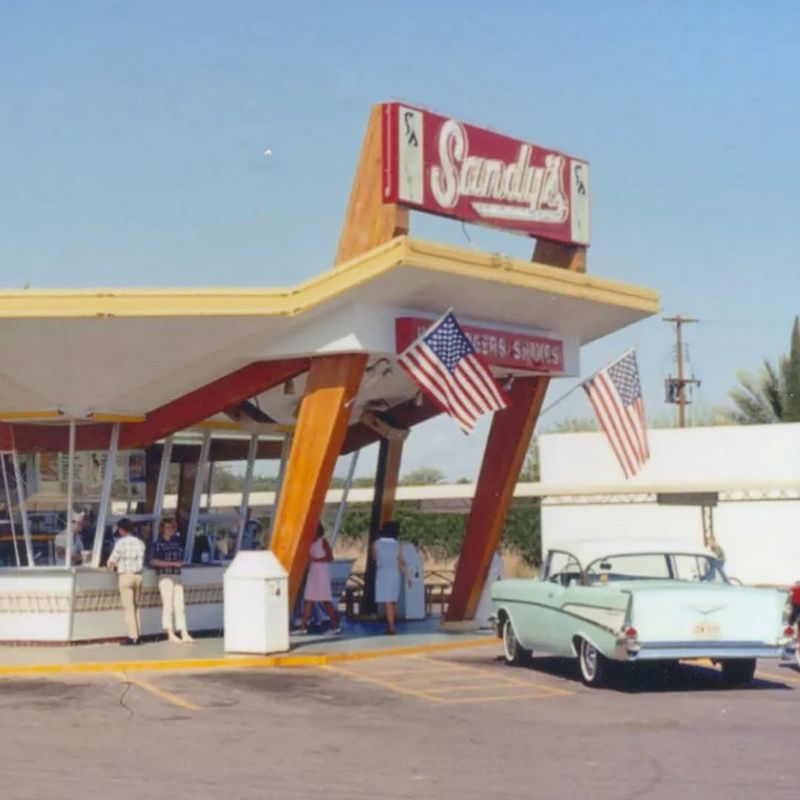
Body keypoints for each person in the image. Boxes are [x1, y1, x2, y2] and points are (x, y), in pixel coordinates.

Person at [150, 516, 194, 643]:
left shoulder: (176, 543)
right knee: (168, 604)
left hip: (176, 575)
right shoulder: (158, 544)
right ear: (163, 529)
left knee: (180, 605)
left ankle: (184, 632)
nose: (170, 530)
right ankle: (170, 633)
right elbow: (154, 561)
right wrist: (173, 564)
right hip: (165, 576)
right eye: (168, 527)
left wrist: (180, 563)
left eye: (173, 528)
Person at [106, 518, 146, 646]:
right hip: (138, 577)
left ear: (121, 530)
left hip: (126, 576)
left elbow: (112, 561)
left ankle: (132, 637)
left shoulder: (121, 543)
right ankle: (138, 635)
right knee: (136, 607)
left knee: (129, 608)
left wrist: (112, 566)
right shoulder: (140, 543)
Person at [297, 523, 341, 635]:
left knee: (326, 600)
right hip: (313, 573)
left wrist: (315, 560)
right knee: (308, 599)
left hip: (322, 573)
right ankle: (303, 627)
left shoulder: (323, 541)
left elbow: (330, 557)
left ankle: (335, 626)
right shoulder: (310, 542)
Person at [373, 520, 411, 635]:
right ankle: (392, 623)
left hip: (383, 572)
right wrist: (408, 576)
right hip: (394, 573)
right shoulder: (397, 544)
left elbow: (374, 557)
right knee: (393, 600)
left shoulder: (376, 543)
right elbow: (402, 561)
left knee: (387, 601)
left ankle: (391, 626)